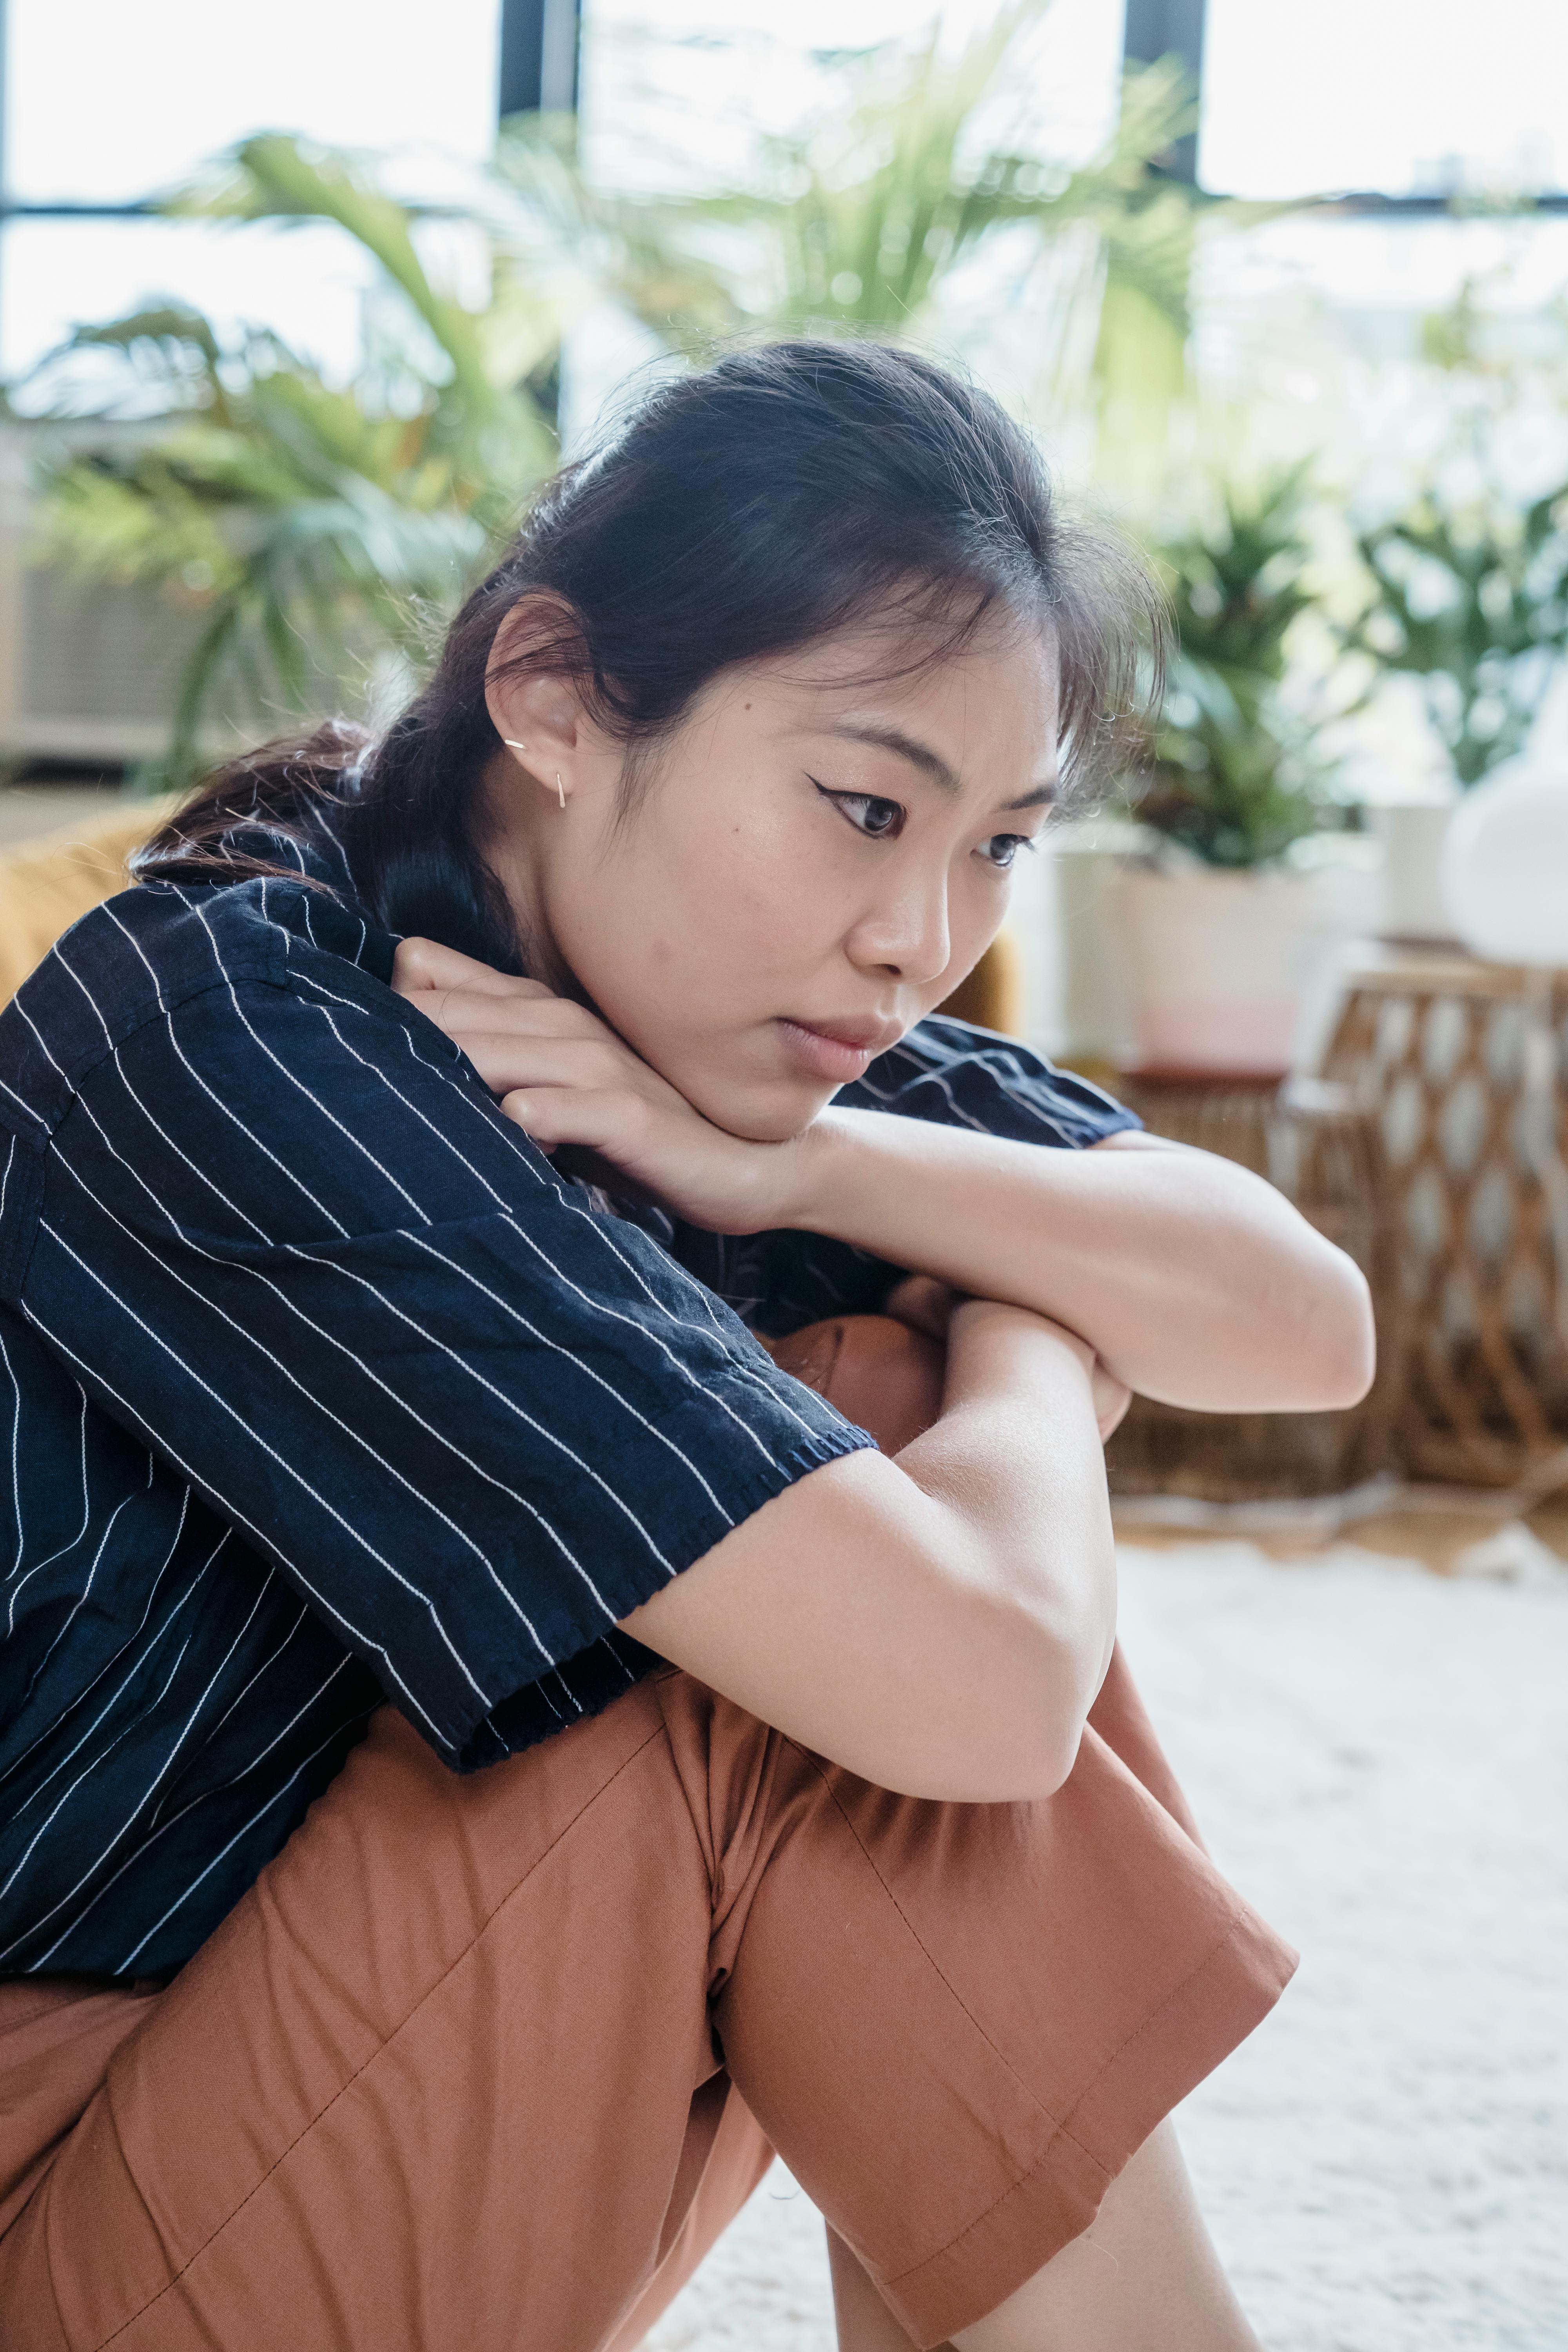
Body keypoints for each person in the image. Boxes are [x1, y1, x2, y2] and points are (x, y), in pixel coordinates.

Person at [0, 342, 1372, 2352]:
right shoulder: (237, 1028)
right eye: (859, 805)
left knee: (859, 1478)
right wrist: (1026, 1347)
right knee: (821, 1586)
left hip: (295, 2088)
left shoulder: (710, 1020)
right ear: (552, 694)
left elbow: (1298, 1320)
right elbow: (981, 1694)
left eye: (996, 840)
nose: (922, 934)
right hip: (63, 2163)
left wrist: (821, 1163)